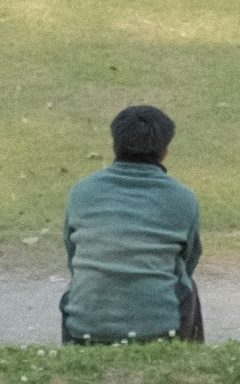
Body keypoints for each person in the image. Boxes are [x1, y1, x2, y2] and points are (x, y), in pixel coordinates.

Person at [59, 102, 204, 345]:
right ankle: (187, 362)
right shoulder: (183, 198)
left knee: (79, 286)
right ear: (165, 150)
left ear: (114, 144)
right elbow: (188, 260)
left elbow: (73, 254)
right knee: (186, 285)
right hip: (161, 329)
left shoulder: (82, 192)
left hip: (84, 326)